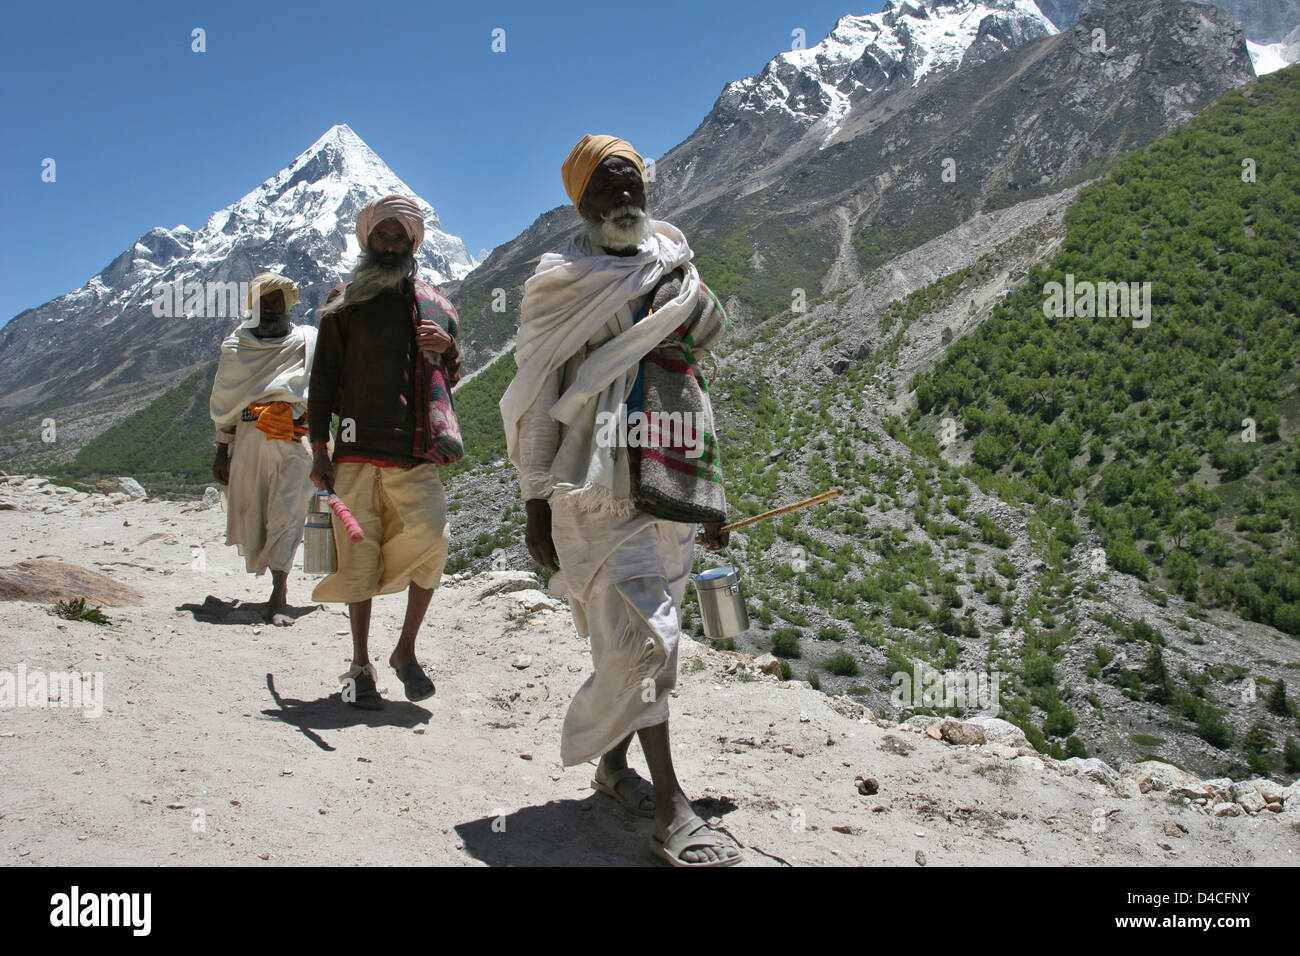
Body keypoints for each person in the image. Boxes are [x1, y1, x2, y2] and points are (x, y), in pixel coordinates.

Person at [500, 135, 741, 866]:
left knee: (644, 643)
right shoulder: (560, 283)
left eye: (630, 182)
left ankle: (610, 767)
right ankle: (672, 811)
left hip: (669, 476)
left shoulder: (674, 262)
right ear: (581, 201)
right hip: (591, 487)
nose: (622, 197)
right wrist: (535, 502)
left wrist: (709, 497)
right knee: (648, 640)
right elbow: (537, 398)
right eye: (605, 187)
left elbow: (693, 372)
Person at [307, 194, 462, 710]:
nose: (390, 245)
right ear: (367, 239)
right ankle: (360, 665)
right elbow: (323, 379)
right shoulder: (345, 301)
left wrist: (448, 347)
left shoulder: (436, 306)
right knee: (358, 558)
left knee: (432, 541)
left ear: (414, 243)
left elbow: (448, 378)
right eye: (382, 235)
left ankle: (405, 650)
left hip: (414, 451)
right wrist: (319, 449)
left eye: (400, 237)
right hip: (354, 451)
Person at [210, 272, 316, 626]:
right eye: (264, 302)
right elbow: (225, 403)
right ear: (253, 305)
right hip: (248, 440)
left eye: (276, 301)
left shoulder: (306, 341)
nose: (270, 308)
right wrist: (221, 449)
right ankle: (274, 587)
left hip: (294, 439)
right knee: (255, 511)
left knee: (287, 514)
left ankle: (279, 593)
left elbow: (324, 388)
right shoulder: (236, 347)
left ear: (287, 305)